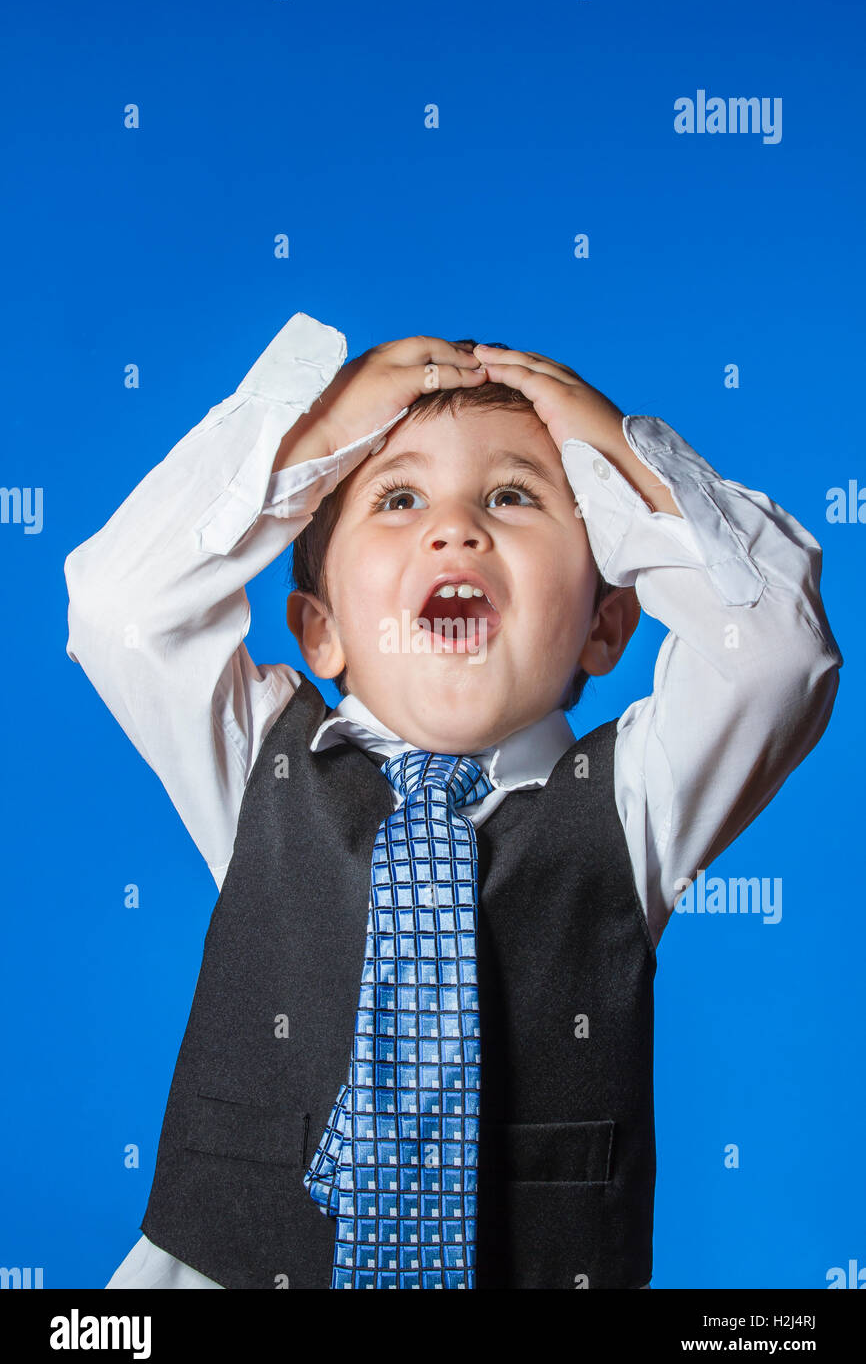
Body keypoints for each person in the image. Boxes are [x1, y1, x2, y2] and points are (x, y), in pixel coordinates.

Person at [64, 312, 841, 1289]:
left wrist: (610, 449)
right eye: (395, 498)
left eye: (512, 496)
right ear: (320, 631)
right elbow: (119, 610)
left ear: (605, 626)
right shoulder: (256, 762)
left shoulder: (635, 807)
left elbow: (776, 656)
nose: (455, 526)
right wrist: (314, 434)